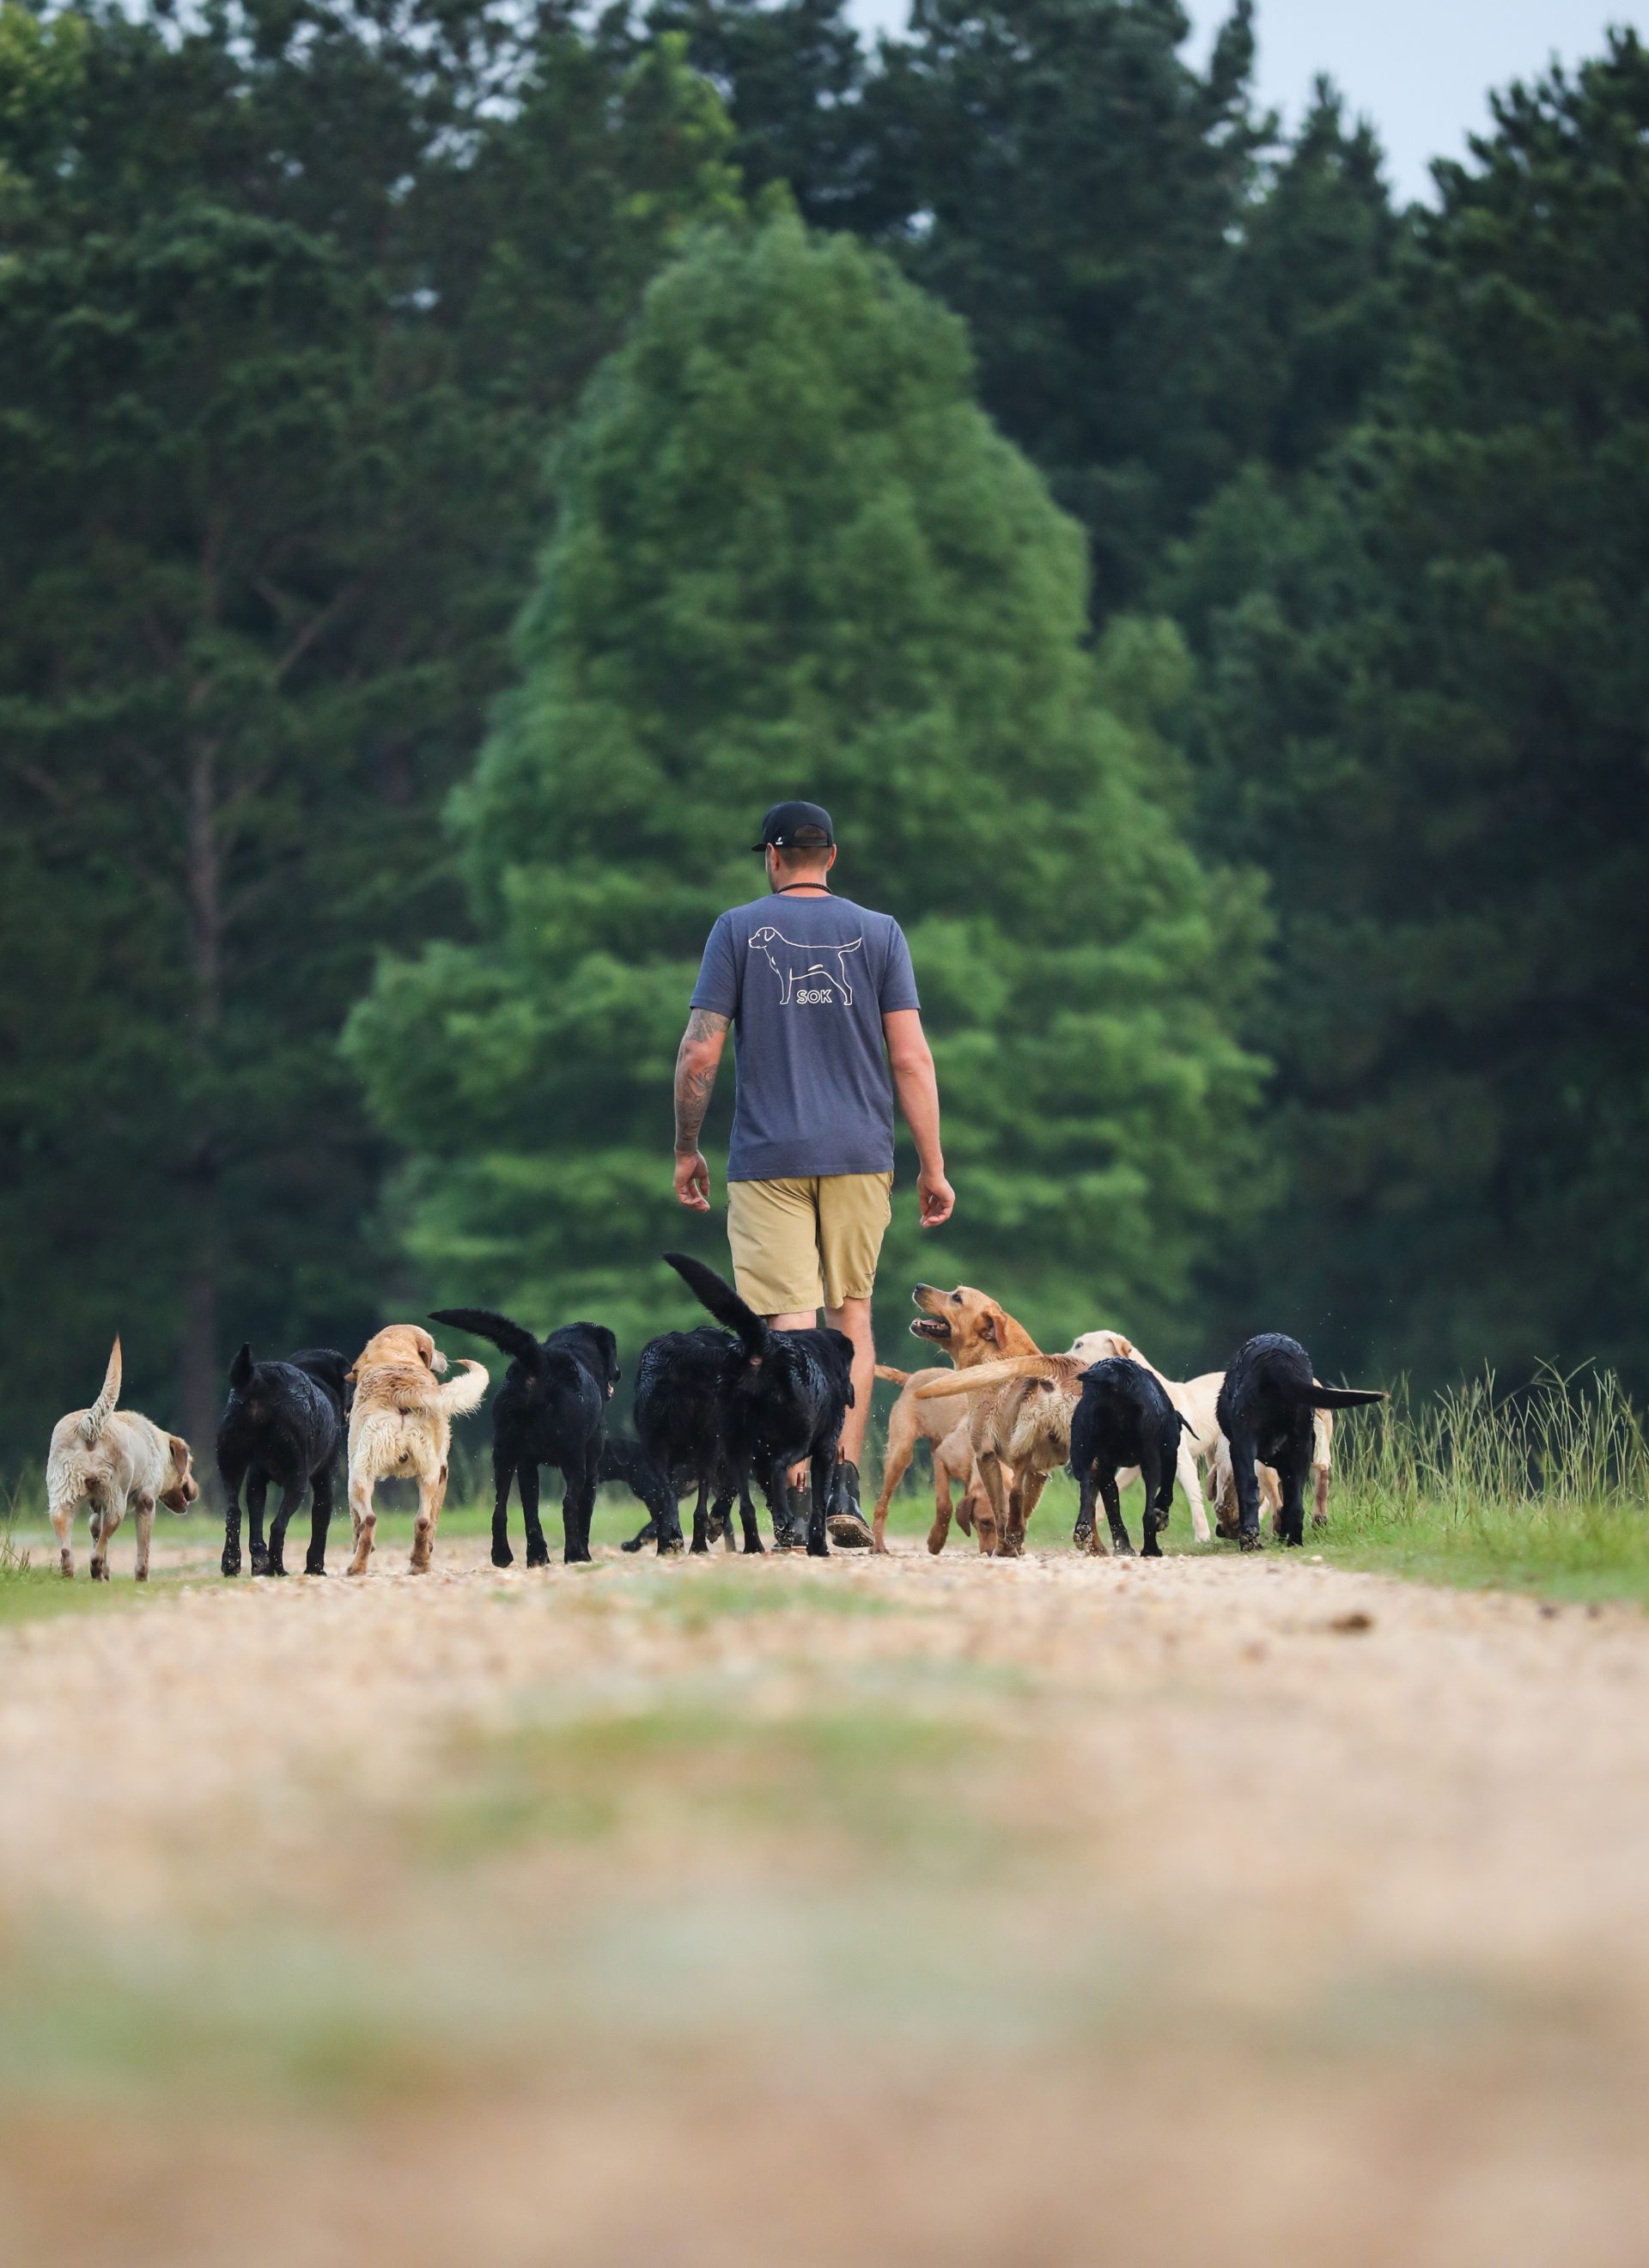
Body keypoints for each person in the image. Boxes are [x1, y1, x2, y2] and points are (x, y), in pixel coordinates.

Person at [672, 800, 955, 1546]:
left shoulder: (736, 930)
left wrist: (686, 1147)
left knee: (788, 1327)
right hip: (861, 1156)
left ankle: (796, 1496)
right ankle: (844, 1487)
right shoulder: (880, 933)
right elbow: (911, 1058)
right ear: (831, 856)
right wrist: (932, 1163)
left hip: (768, 1161)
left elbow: (700, 1052)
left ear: (772, 857)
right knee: (850, 1318)